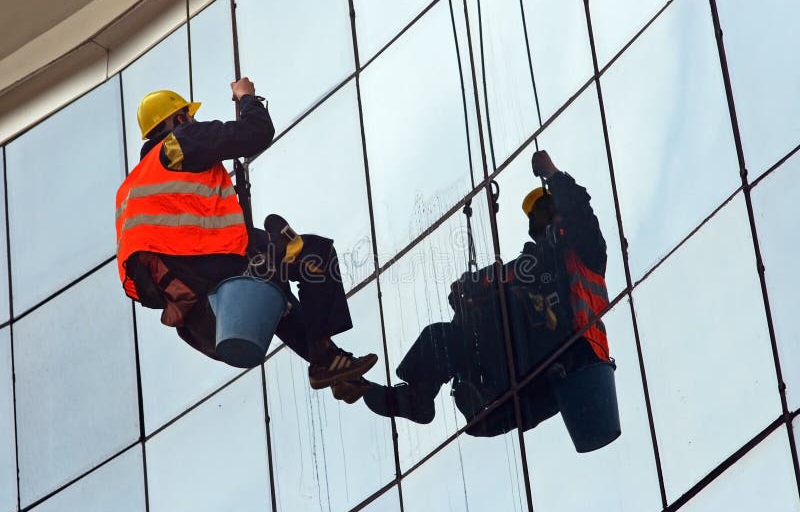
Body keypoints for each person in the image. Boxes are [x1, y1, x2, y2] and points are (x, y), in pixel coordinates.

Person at [115, 78, 377, 400]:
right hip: (215, 256)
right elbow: (256, 133)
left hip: (186, 286)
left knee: (272, 293)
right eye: (189, 116)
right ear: (179, 119)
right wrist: (247, 98)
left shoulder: (131, 186)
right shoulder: (183, 140)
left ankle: (327, 361)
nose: (194, 122)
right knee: (315, 254)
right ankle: (323, 352)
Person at [354, 150, 612, 436]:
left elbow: (581, 213)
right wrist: (467, 287)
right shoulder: (532, 265)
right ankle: (419, 396)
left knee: (505, 307)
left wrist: (553, 175)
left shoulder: (586, 253)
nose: (537, 224)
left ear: (558, 212)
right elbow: (494, 278)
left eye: (542, 212)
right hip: (534, 362)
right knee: (444, 336)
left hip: (576, 353)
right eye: (534, 219)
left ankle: (487, 394)